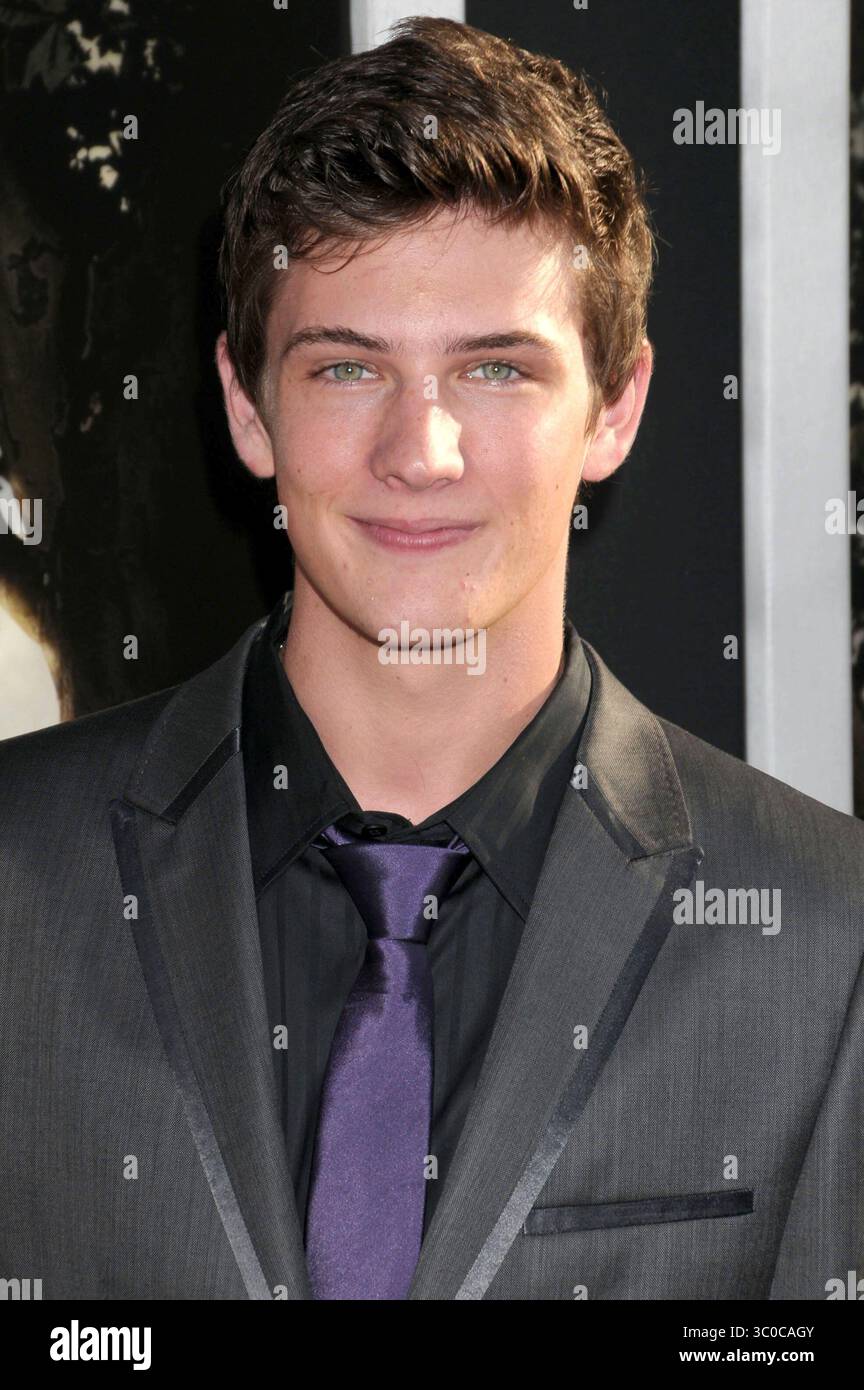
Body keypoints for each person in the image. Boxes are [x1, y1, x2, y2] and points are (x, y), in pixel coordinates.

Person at [0, 16, 861, 1302]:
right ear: (247, 404)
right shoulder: (19, 872)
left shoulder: (827, 935)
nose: (425, 448)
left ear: (615, 406)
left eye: (497, 369)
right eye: (349, 366)